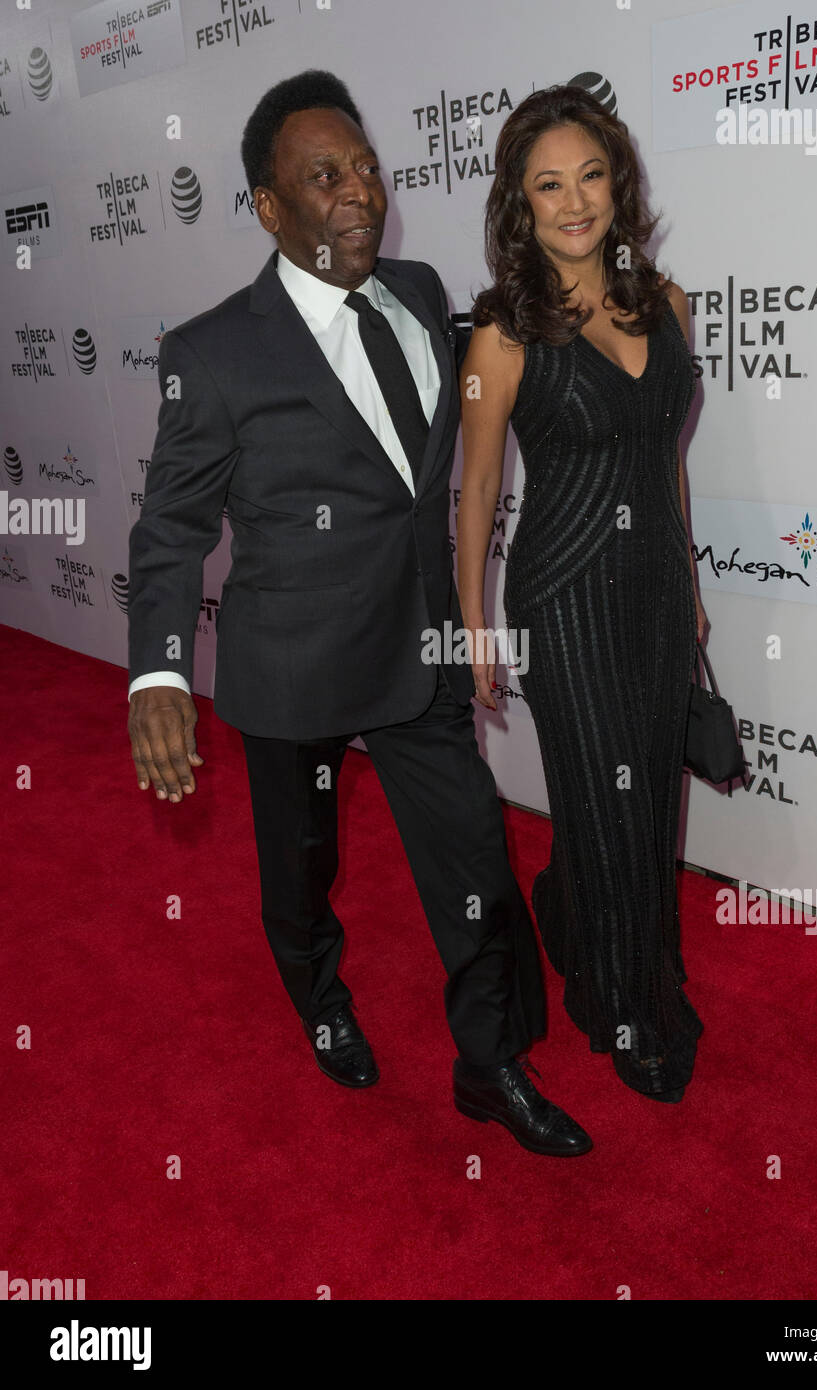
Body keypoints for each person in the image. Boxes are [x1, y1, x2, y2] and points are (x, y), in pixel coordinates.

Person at [126, 70, 592, 1157]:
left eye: (368, 168)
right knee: (301, 868)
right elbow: (169, 529)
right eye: (324, 176)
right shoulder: (215, 351)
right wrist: (156, 673)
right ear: (269, 207)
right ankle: (319, 995)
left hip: (419, 644)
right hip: (293, 667)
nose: (360, 192)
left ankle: (490, 1064)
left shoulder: (425, 291)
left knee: (475, 854)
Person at [457, 85, 706, 1102]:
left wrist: (688, 580)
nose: (574, 202)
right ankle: (626, 1004)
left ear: (619, 183)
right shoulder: (503, 338)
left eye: (590, 176)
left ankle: (572, 909)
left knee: (652, 800)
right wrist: (474, 626)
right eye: (547, 183)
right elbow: (474, 491)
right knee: (608, 807)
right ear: (521, 203)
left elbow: (668, 457)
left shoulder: (669, 301)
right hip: (564, 597)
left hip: (650, 593)